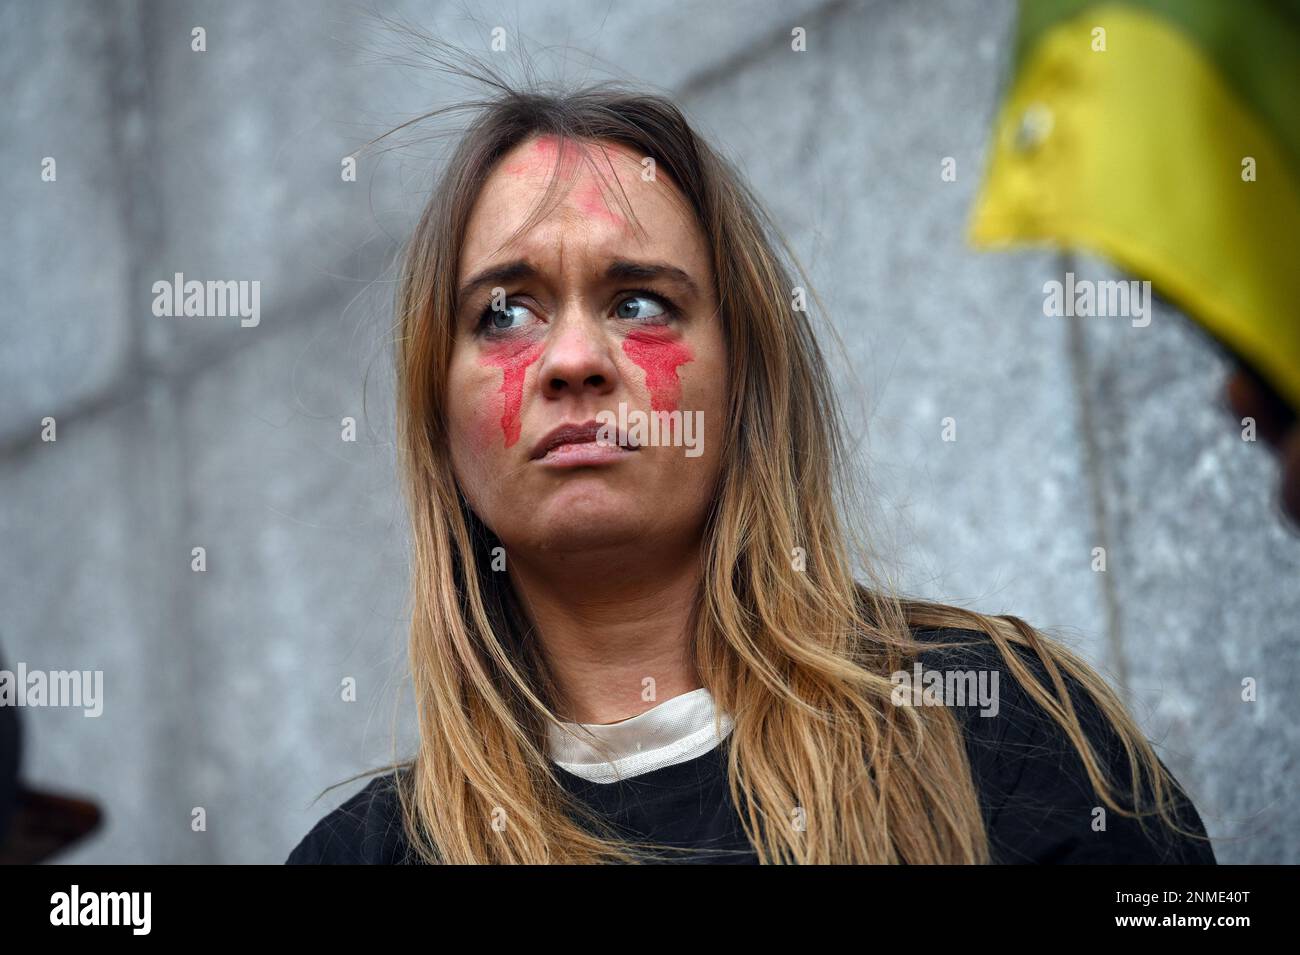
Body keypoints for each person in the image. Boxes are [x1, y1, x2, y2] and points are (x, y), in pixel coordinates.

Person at [287, 61, 1215, 864]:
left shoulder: (1007, 741)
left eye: (640, 302)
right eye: (504, 313)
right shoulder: (362, 856)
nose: (572, 360)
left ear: (745, 387)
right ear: (437, 415)